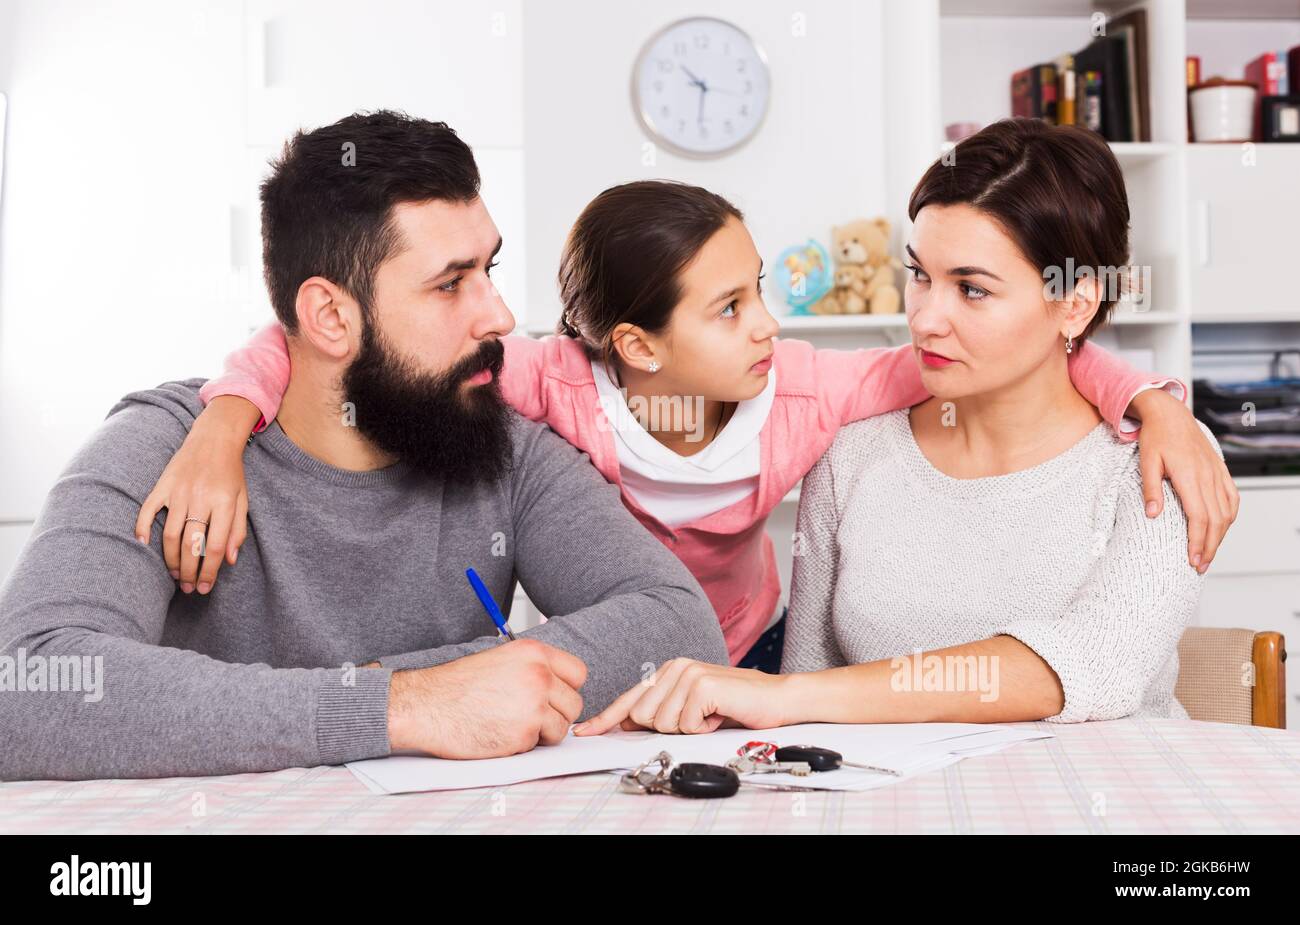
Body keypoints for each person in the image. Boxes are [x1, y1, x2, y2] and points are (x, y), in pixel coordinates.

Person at [141, 179, 1231, 676]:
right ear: (635, 345)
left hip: (750, 646)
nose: (769, 326)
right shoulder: (551, 383)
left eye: (759, 290)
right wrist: (219, 423)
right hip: (613, 643)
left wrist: (1148, 402)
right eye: (729, 307)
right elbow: (340, 340)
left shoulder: (805, 390)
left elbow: (1001, 351)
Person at [0, 110, 727, 781]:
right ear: (329, 316)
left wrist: (402, 690)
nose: (499, 316)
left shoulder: (504, 447)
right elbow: (28, 684)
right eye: (450, 285)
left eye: (489, 270)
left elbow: (679, 624)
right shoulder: (169, 448)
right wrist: (402, 704)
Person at [571, 119, 1231, 736]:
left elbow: (1099, 662)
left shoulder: (1158, 461)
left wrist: (782, 696)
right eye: (919, 274)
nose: (925, 318)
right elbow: (810, 672)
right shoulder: (854, 452)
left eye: (971, 288)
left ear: (1075, 303)